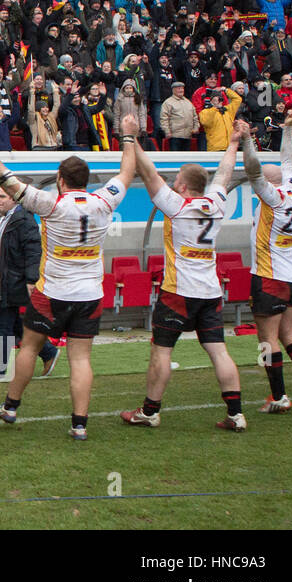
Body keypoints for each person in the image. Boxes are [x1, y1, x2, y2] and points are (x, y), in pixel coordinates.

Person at [0, 118, 138, 439]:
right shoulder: (104, 201)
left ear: (60, 180)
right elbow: (127, 173)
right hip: (89, 294)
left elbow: (10, 183)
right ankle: (79, 424)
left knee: (29, 348)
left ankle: (11, 406)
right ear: (86, 181)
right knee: (81, 358)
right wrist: (128, 135)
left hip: (52, 292)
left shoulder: (52, 203)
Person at [120, 123, 248, 430]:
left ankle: (150, 412)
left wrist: (131, 139)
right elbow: (225, 173)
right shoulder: (216, 202)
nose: (173, 183)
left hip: (178, 291)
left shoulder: (177, 206)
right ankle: (236, 414)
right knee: (218, 349)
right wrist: (233, 144)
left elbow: (149, 175)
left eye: (176, 180)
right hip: (210, 290)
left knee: (161, 350)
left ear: (182, 186)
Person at [240, 110, 292, 413]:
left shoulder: (271, 197)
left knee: (266, 338)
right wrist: (286, 129)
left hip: (270, 275)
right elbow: (288, 162)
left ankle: (278, 396)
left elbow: (255, 170)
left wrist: (246, 140)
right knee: (288, 333)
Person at [0, 185, 59, 383]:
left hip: (11, 282)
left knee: (2, 325)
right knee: (15, 325)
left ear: (14, 199)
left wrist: (31, 279)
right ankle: (48, 352)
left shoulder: (23, 220)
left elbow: (33, 251)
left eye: (2, 196)